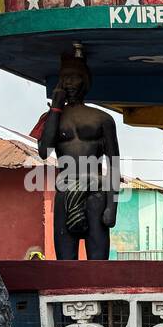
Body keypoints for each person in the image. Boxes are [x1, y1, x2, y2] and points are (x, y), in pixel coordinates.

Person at [36, 49, 120, 261]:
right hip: (66, 191)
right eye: (65, 78)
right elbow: (44, 151)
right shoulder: (53, 119)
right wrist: (55, 108)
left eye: (75, 77)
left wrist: (112, 206)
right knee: (65, 263)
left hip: (96, 194)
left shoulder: (102, 119)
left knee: (98, 261)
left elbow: (114, 164)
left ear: (85, 82)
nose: (70, 83)